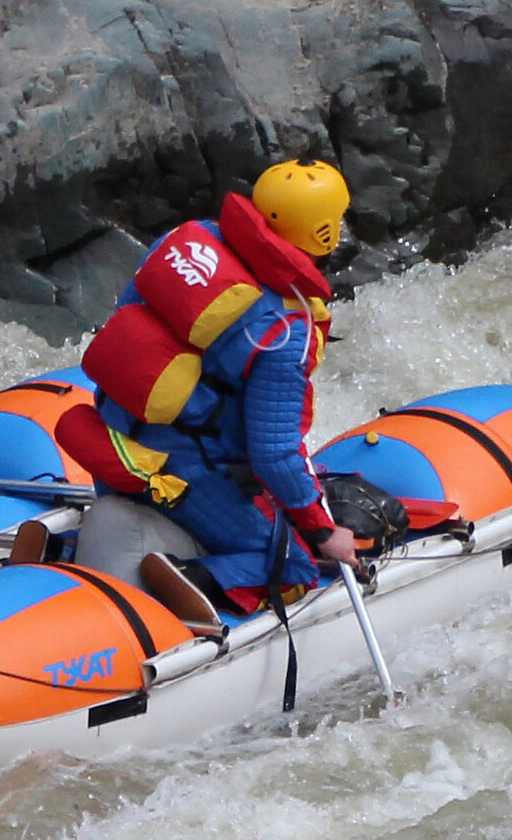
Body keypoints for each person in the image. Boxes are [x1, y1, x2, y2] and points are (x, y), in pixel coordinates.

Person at [55, 157, 358, 618]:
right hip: (186, 479)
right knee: (294, 564)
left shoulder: (189, 241)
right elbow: (274, 454)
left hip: (116, 445)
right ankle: (185, 577)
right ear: (324, 234)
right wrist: (321, 530)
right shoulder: (282, 331)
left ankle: (60, 555)